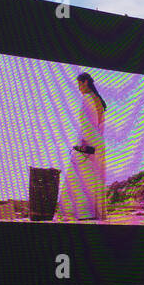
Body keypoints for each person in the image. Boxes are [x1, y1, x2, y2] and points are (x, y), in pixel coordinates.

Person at [62, 73, 107, 220]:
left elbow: (87, 127)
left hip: (89, 143)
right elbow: (100, 126)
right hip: (99, 143)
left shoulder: (87, 99)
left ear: (85, 82)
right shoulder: (98, 100)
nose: (79, 88)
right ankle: (92, 213)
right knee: (94, 178)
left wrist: (82, 146)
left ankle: (82, 213)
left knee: (77, 178)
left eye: (79, 84)